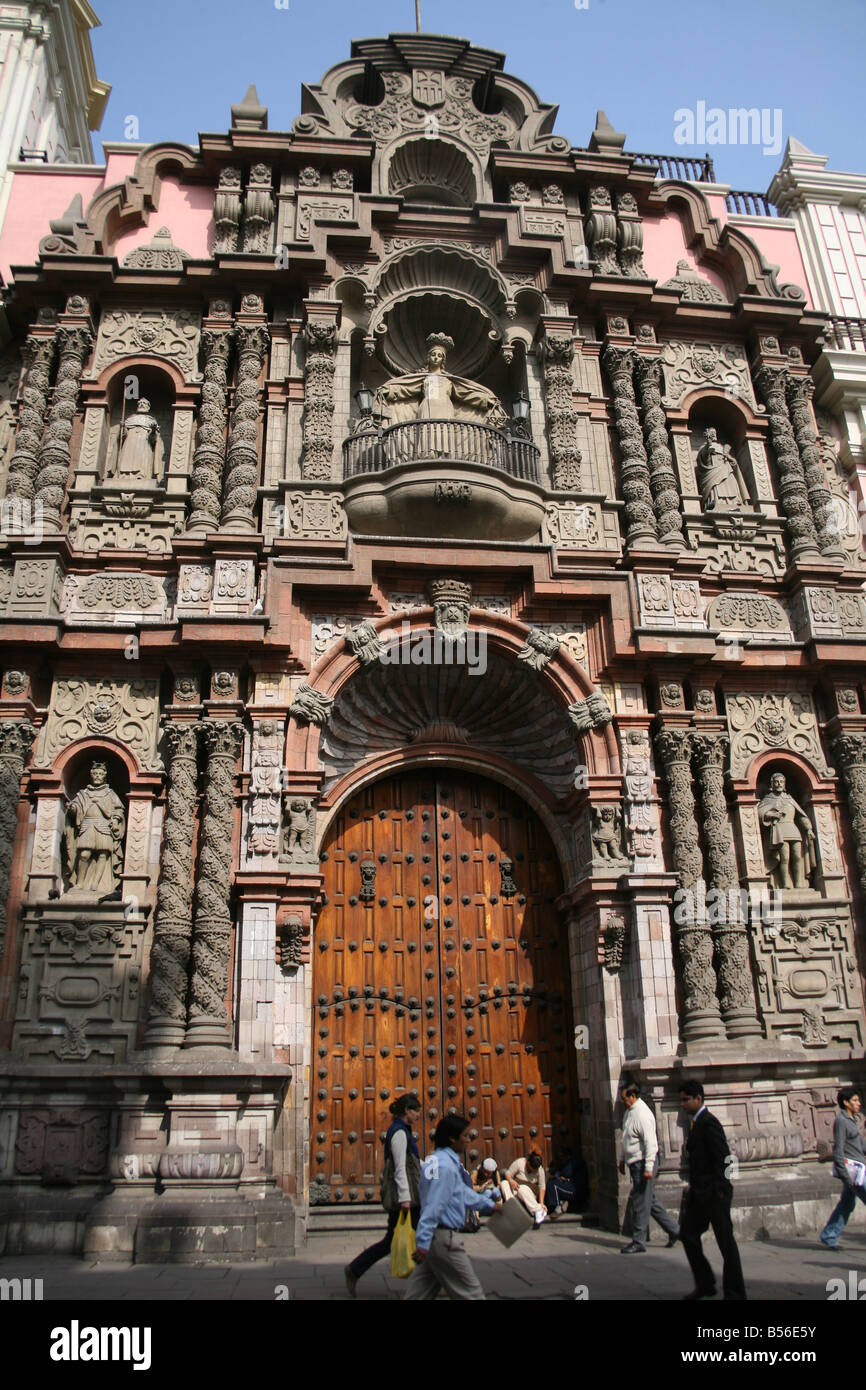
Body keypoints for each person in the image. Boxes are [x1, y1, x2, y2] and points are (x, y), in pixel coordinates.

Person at [404, 1114, 502, 1300]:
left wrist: (490, 1204)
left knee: (418, 1295)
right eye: (465, 1135)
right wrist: (423, 1240)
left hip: (433, 1238)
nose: (468, 1140)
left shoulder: (435, 1160)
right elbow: (435, 1204)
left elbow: (460, 1194)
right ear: (452, 1138)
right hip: (443, 1238)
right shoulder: (445, 1166)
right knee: (472, 1294)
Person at [344, 1094, 421, 1297]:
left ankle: (431, 1283)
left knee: (418, 1239)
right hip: (406, 1198)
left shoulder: (403, 1130)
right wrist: (405, 1197)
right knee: (398, 1240)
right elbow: (399, 1168)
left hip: (409, 1196)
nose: (419, 1115)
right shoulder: (399, 1133)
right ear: (407, 1111)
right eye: (416, 1110)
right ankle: (355, 1269)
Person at [678, 1080, 747, 1300]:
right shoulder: (696, 1123)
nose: (683, 1104)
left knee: (726, 1244)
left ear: (699, 1098)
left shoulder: (709, 1123)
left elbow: (726, 1157)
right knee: (688, 1234)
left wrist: (724, 1188)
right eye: (681, 1100)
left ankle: (735, 1293)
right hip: (700, 1195)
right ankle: (706, 1282)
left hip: (715, 1194)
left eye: (686, 1100)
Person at [618, 1083, 679, 1253]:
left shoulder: (642, 1114)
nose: (623, 1102)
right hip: (635, 1163)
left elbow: (651, 1144)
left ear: (633, 1096)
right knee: (649, 1201)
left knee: (641, 1202)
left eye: (625, 1099)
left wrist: (648, 1167)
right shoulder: (629, 1113)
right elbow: (626, 1139)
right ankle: (675, 1230)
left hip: (644, 1162)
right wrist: (622, 1159)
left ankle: (639, 1240)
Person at [820, 1086, 866, 1249]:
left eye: (858, 1100)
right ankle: (829, 1235)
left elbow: (860, 1146)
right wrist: (845, 1175)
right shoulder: (841, 1122)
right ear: (846, 1103)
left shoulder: (852, 1121)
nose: (858, 1103)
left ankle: (829, 1234)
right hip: (853, 1172)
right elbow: (838, 1149)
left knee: (847, 1203)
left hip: (858, 1169)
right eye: (854, 1100)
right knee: (848, 1202)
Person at [757, 772, 816, 890]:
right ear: (772, 784)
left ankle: (799, 883)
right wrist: (773, 814)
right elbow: (760, 812)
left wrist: (808, 828)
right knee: (785, 858)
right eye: (776, 782)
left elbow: (801, 816)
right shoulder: (768, 799)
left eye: (781, 782)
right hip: (780, 830)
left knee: (797, 857)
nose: (779, 784)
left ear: (784, 784)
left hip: (793, 829)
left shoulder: (790, 799)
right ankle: (785, 884)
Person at [503, 1149, 547, 1225]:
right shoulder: (519, 1162)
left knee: (522, 1188)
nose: (532, 1170)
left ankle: (537, 1210)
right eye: (530, 1167)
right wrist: (511, 1180)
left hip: (528, 1192)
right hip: (515, 1189)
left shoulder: (540, 1170)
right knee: (504, 1183)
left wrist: (542, 1203)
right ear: (527, 1161)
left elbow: (542, 1187)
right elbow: (508, 1173)